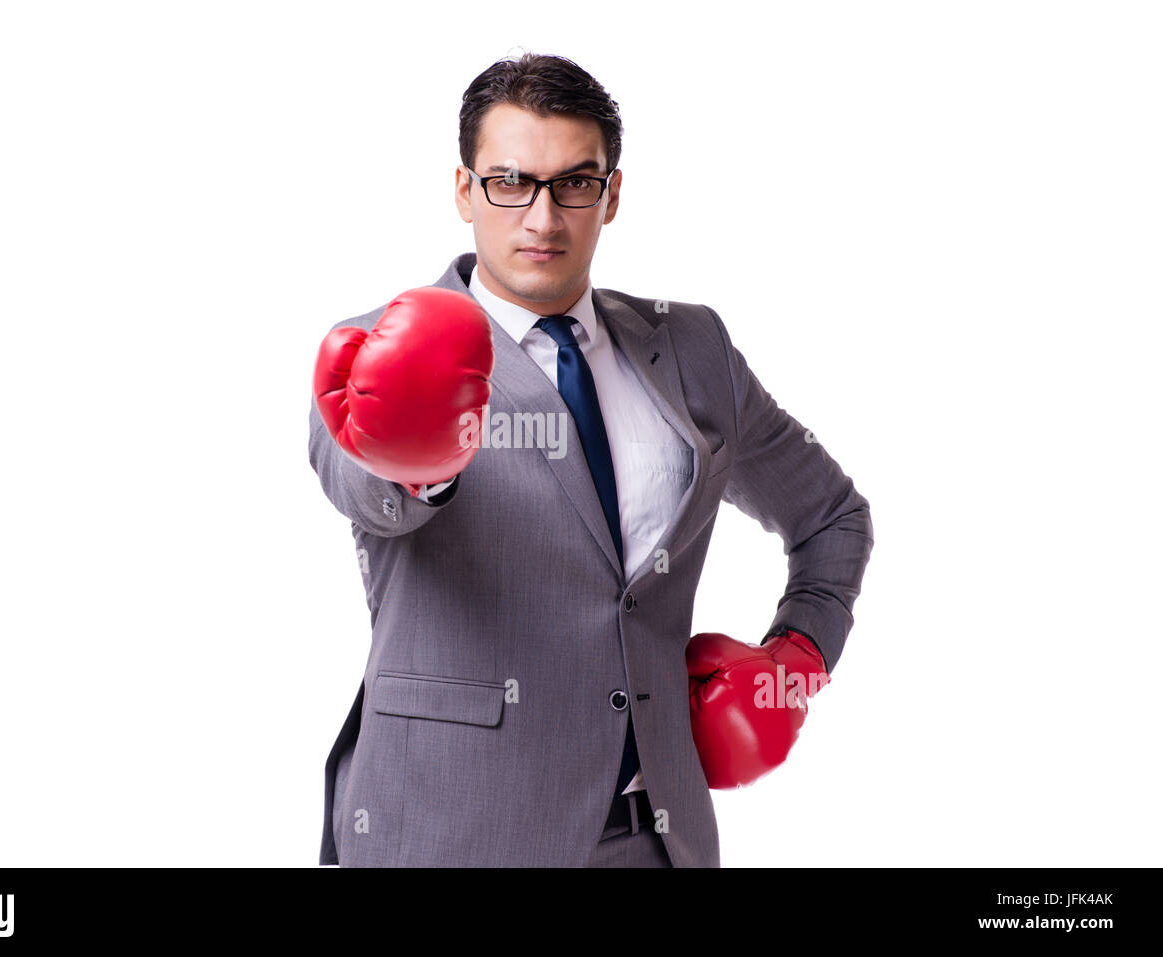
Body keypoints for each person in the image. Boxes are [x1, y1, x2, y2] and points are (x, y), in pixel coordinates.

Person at [308, 52, 873, 867]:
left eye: (574, 182)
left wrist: (799, 655)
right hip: (452, 832)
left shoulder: (691, 347)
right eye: (510, 182)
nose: (541, 217)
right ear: (464, 189)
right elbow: (369, 494)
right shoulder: (370, 353)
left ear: (611, 194)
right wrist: (421, 461)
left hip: (657, 836)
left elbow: (831, 516)